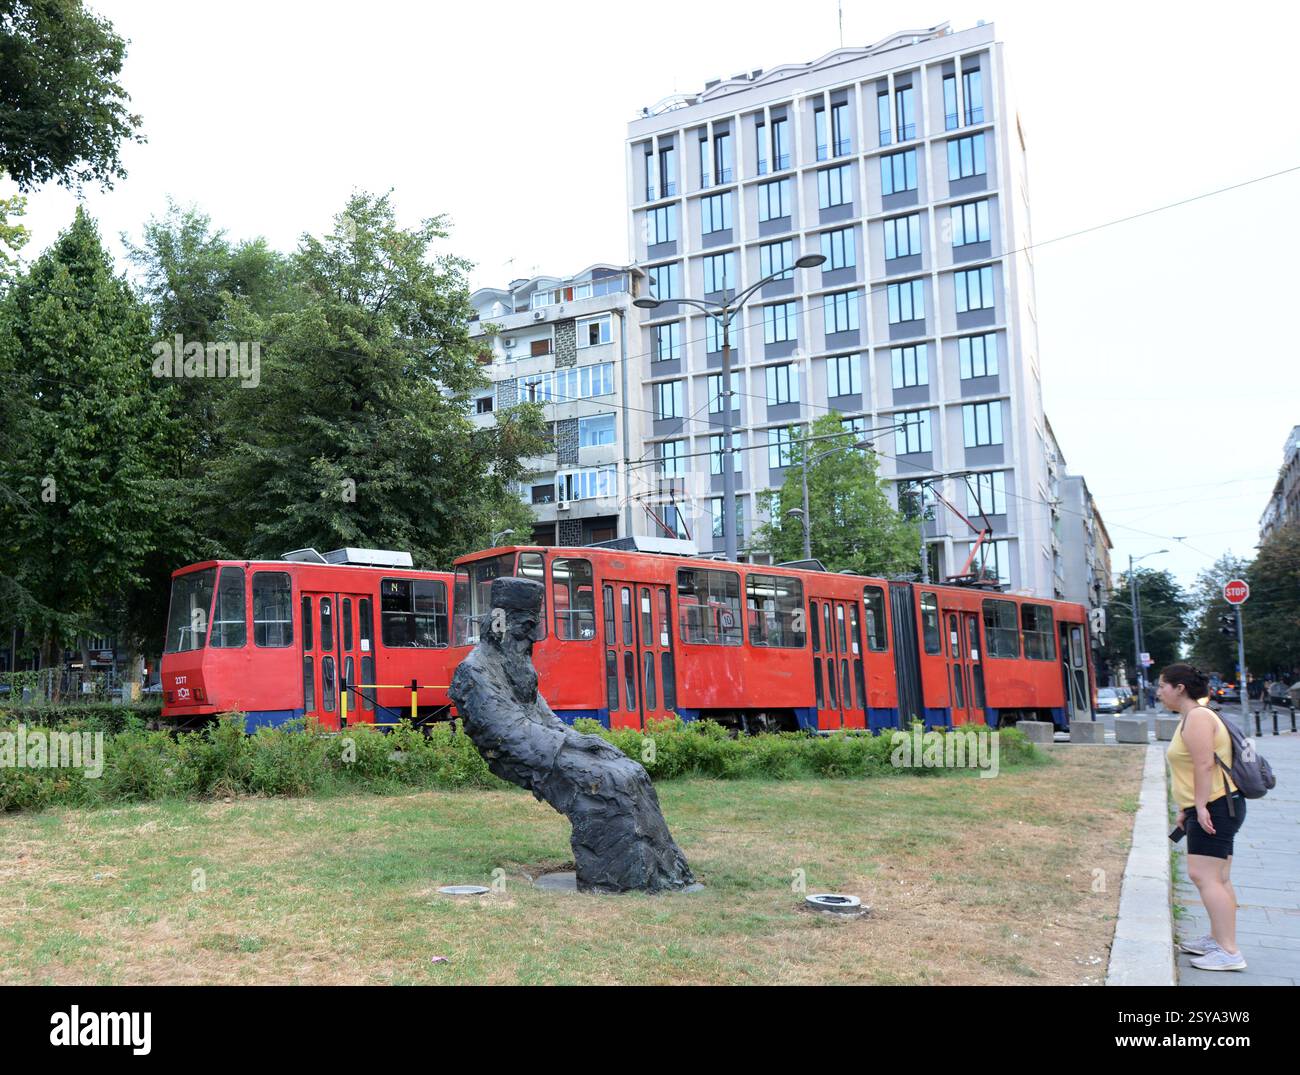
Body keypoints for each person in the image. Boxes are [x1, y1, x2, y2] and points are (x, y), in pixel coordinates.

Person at [1160, 662, 1247, 971]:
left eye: (1162, 686)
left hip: (1214, 806)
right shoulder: (1196, 715)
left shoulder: (1197, 717)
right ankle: (1218, 938)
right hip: (1220, 804)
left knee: (1204, 876)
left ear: (1179, 688)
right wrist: (1187, 809)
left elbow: (1204, 765)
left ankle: (1229, 952)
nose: (1159, 692)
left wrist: (1198, 807)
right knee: (1219, 877)